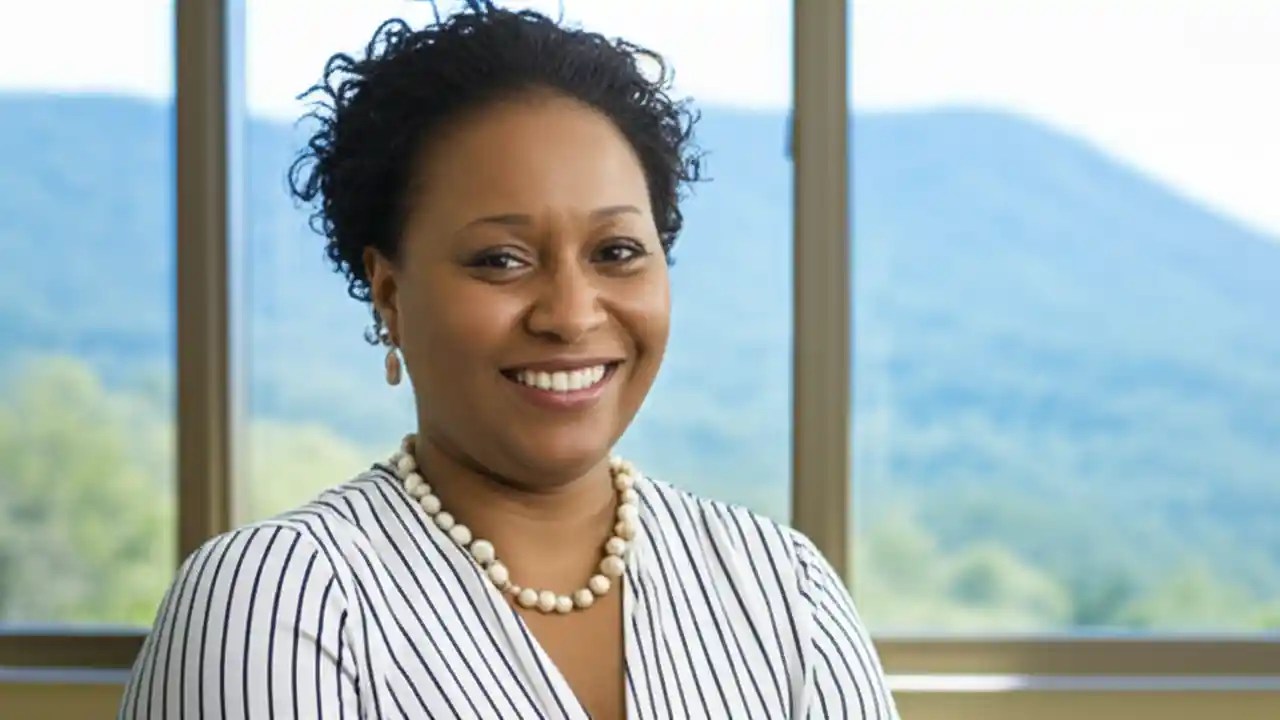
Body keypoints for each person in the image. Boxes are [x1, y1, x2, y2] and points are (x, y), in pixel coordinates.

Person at [120, 2, 897, 718]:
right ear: (389, 292)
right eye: (500, 259)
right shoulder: (277, 599)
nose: (570, 314)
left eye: (617, 251)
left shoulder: (780, 587)